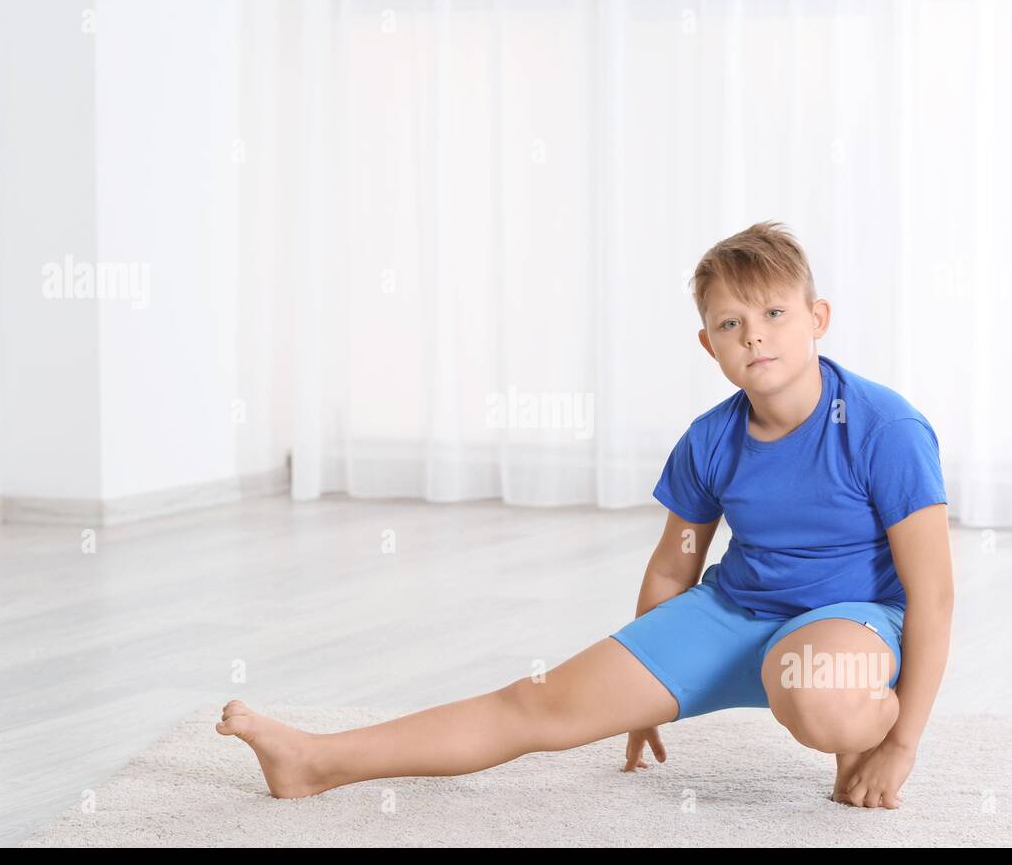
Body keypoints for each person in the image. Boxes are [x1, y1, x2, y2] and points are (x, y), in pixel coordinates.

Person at [217, 220, 955, 809]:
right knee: (533, 707)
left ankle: (867, 725)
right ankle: (315, 761)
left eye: (773, 313)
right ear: (709, 345)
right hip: (735, 614)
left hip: (850, 622)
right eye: (729, 324)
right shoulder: (710, 440)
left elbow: (934, 595)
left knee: (813, 691)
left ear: (816, 318)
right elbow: (675, 564)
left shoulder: (884, 428)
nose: (754, 334)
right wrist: (644, 701)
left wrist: (904, 741)